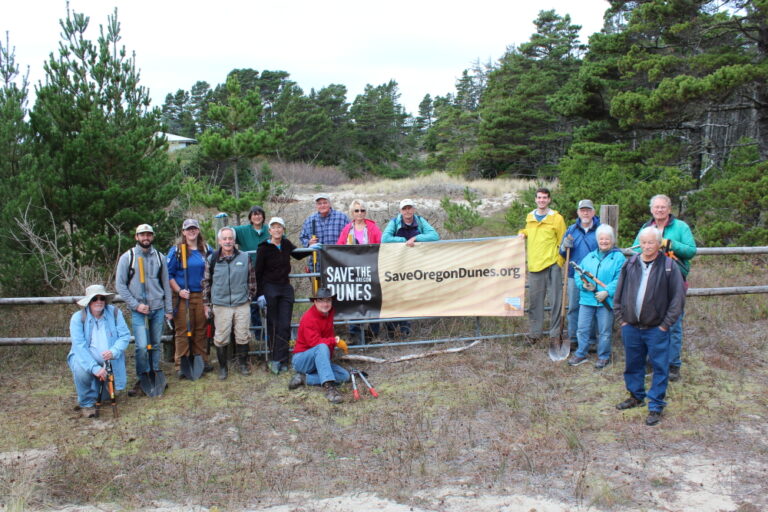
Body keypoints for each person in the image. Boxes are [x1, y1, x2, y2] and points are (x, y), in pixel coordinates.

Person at [614, 227, 685, 426]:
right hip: (631, 326)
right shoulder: (631, 263)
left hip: (656, 328)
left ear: (659, 244)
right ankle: (636, 396)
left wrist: (665, 325)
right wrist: (621, 318)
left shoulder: (670, 266)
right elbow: (619, 292)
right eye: (643, 242)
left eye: (651, 242)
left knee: (660, 367)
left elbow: (678, 299)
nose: (647, 246)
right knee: (633, 363)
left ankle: (655, 405)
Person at [632, 194, 696, 382]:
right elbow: (635, 249)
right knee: (652, 322)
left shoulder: (681, 227)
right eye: (656, 207)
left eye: (663, 207)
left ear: (669, 209)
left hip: (674, 281)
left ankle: (673, 364)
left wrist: (670, 245)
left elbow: (691, 251)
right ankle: (653, 361)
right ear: (651, 209)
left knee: (674, 323)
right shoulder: (646, 228)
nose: (659, 210)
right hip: (650, 282)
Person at [116, 224, 173, 396]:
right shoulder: (128, 257)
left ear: (152, 237)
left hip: (157, 308)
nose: (145, 237)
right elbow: (120, 285)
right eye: (142, 235)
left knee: (155, 344)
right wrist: (136, 305)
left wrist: (168, 309)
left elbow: (166, 285)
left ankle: (154, 373)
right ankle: (142, 376)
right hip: (139, 310)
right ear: (136, 237)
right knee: (141, 346)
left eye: (148, 234)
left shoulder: (159, 257)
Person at [255, 217, 310, 374]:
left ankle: (284, 359)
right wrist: (260, 294)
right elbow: (258, 272)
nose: (277, 230)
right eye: (274, 227)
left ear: (283, 230)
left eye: (280, 227)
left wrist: (312, 248)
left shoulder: (286, 244)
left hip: (285, 288)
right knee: (273, 324)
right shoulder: (263, 247)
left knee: (285, 324)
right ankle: (274, 359)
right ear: (269, 230)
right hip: (270, 288)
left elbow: (298, 255)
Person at [68, 284, 131, 418]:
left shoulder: (115, 313)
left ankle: (98, 391)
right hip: (85, 359)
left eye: (101, 298)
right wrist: (94, 368)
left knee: (105, 397)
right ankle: (86, 403)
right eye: (94, 299)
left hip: (109, 360)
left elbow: (125, 336)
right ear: (89, 302)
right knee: (81, 371)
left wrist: (114, 351)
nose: (99, 301)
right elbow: (79, 347)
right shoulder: (77, 318)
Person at [202, 226, 257, 380]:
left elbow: (252, 280)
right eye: (224, 238)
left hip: (241, 304)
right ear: (219, 241)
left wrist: (249, 298)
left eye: (230, 238)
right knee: (220, 337)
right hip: (221, 304)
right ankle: (223, 368)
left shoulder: (244, 257)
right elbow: (206, 282)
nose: (228, 241)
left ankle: (243, 364)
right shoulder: (212, 259)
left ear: (234, 240)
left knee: (243, 335)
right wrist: (206, 303)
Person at [567, 225, 625, 369]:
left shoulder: (618, 258)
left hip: (606, 301)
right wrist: (583, 285)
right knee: (582, 328)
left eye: (607, 239)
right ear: (597, 240)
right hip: (587, 300)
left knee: (604, 332)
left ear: (612, 240)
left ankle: (603, 356)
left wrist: (607, 291)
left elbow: (621, 278)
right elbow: (578, 273)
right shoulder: (589, 256)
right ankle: (581, 353)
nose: (604, 241)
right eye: (601, 239)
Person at [381, 198, 440, 337]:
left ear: (413, 209)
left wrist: (416, 238)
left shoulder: (420, 221)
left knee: (408, 297)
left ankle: (405, 331)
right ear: (400, 211)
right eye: (404, 209)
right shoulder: (394, 222)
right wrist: (403, 242)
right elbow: (385, 239)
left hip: (415, 267)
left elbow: (434, 236)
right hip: (396, 266)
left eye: (409, 208)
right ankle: (390, 330)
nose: (407, 211)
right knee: (394, 296)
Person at [167, 218, 214, 378]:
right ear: (183, 232)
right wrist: (179, 290)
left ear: (198, 230)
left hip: (202, 296)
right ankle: (182, 364)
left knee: (200, 330)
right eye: (188, 229)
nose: (191, 231)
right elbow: (169, 274)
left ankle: (201, 360)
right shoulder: (177, 251)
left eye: (194, 228)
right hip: (183, 297)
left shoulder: (207, 250)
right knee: (183, 330)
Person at [518, 188, 566, 341]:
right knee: (535, 303)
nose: (542, 200)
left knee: (556, 302)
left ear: (549, 200)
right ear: (535, 199)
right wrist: (523, 232)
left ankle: (555, 334)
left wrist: (559, 262)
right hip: (535, 266)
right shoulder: (530, 216)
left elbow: (563, 241)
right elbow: (529, 231)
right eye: (539, 198)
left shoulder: (557, 218)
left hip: (552, 265)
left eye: (545, 198)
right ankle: (534, 334)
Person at [288, 287, 350, 404]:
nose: (325, 304)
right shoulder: (309, 318)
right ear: (315, 302)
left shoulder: (329, 314)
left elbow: (327, 336)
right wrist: (334, 341)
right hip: (302, 360)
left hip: (318, 358)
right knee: (321, 346)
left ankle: (304, 378)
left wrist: (329, 354)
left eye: (328, 301)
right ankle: (330, 389)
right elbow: (315, 343)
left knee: (344, 376)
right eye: (321, 301)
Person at [337, 199, 383, 340]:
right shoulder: (347, 229)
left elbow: (381, 245)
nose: (360, 213)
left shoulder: (373, 228)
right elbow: (339, 246)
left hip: (371, 271)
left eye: (362, 210)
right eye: (356, 210)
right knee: (354, 302)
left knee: (372, 301)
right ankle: (355, 333)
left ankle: (374, 334)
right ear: (352, 212)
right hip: (353, 272)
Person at [560, 199, 600, 348]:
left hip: (594, 276)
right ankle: (573, 339)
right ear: (578, 212)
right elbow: (562, 253)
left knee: (593, 306)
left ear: (593, 212)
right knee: (574, 307)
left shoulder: (600, 229)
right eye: (582, 210)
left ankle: (591, 340)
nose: (585, 213)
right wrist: (564, 246)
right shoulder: (571, 230)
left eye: (588, 210)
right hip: (573, 275)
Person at [234, 205, 270, 334]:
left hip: (268, 274)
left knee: (270, 304)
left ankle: (271, 335)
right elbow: (227, 233)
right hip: (250, 274)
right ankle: (259, 335)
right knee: (253, 305)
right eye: (254, 214)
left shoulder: (269, 230)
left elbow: (282, 239)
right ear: (250, 217)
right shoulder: (243, 230)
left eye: (259, 214)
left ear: (263, 216)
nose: (257, 216)